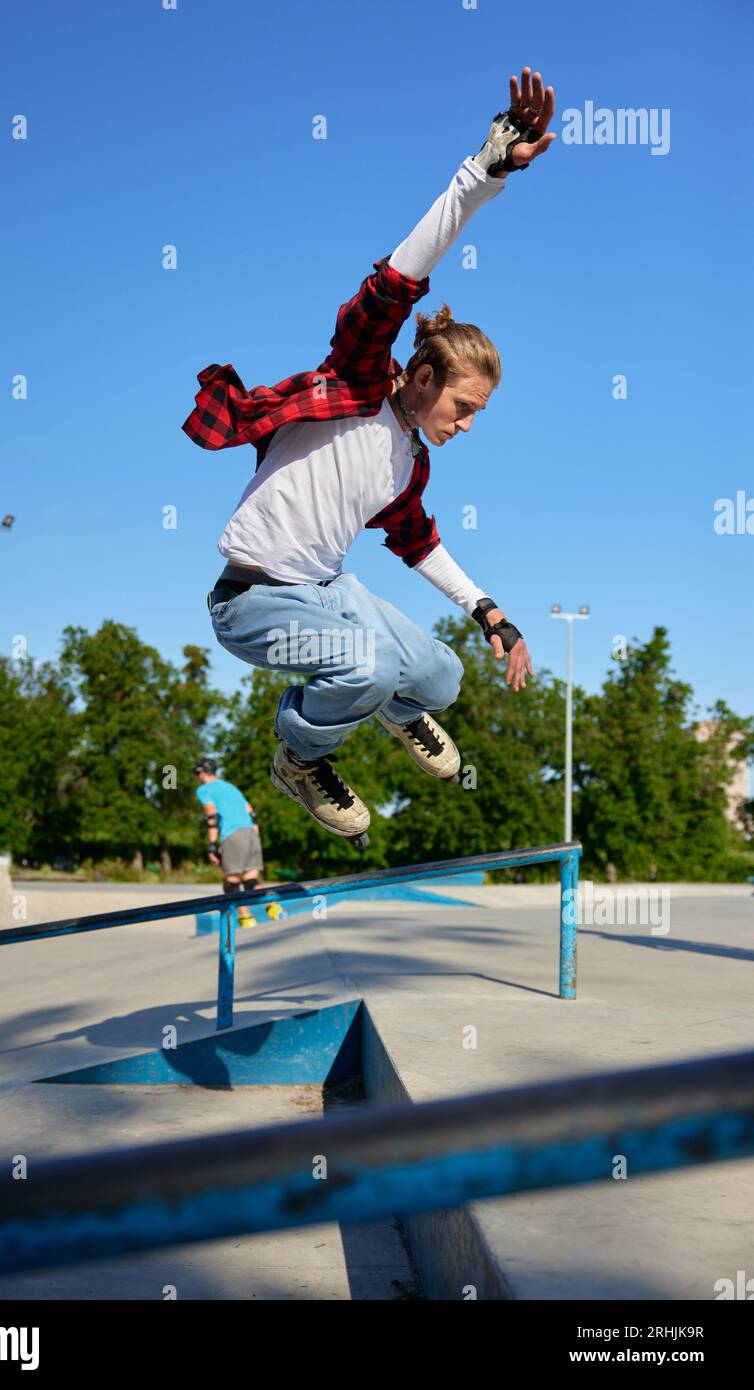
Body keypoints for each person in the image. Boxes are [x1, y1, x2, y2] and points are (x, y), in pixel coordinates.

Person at [184, 69, 555, 842]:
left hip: (329, 593)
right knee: (366, 665)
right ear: (422, 378)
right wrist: (483, 174)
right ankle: (299, 757)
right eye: (462, 406)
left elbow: (418, 541)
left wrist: (490, 612)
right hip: (250, 602)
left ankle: (392, 707)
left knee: (441, 678)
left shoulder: (408, 463)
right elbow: (399, 277)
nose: (467, 425)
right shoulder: (356, 378)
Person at [193, 758, 283, 927]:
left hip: (232, 835)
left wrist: (212, 845)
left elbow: (212, 817)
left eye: (196, 774)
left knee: (231, 883)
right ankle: (273, 906)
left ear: (202, 772)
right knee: (251, 881)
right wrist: (255, 836)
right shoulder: (231, 787)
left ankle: (246, 919)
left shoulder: (204, 789)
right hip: (251, 833)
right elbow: (252, 813)